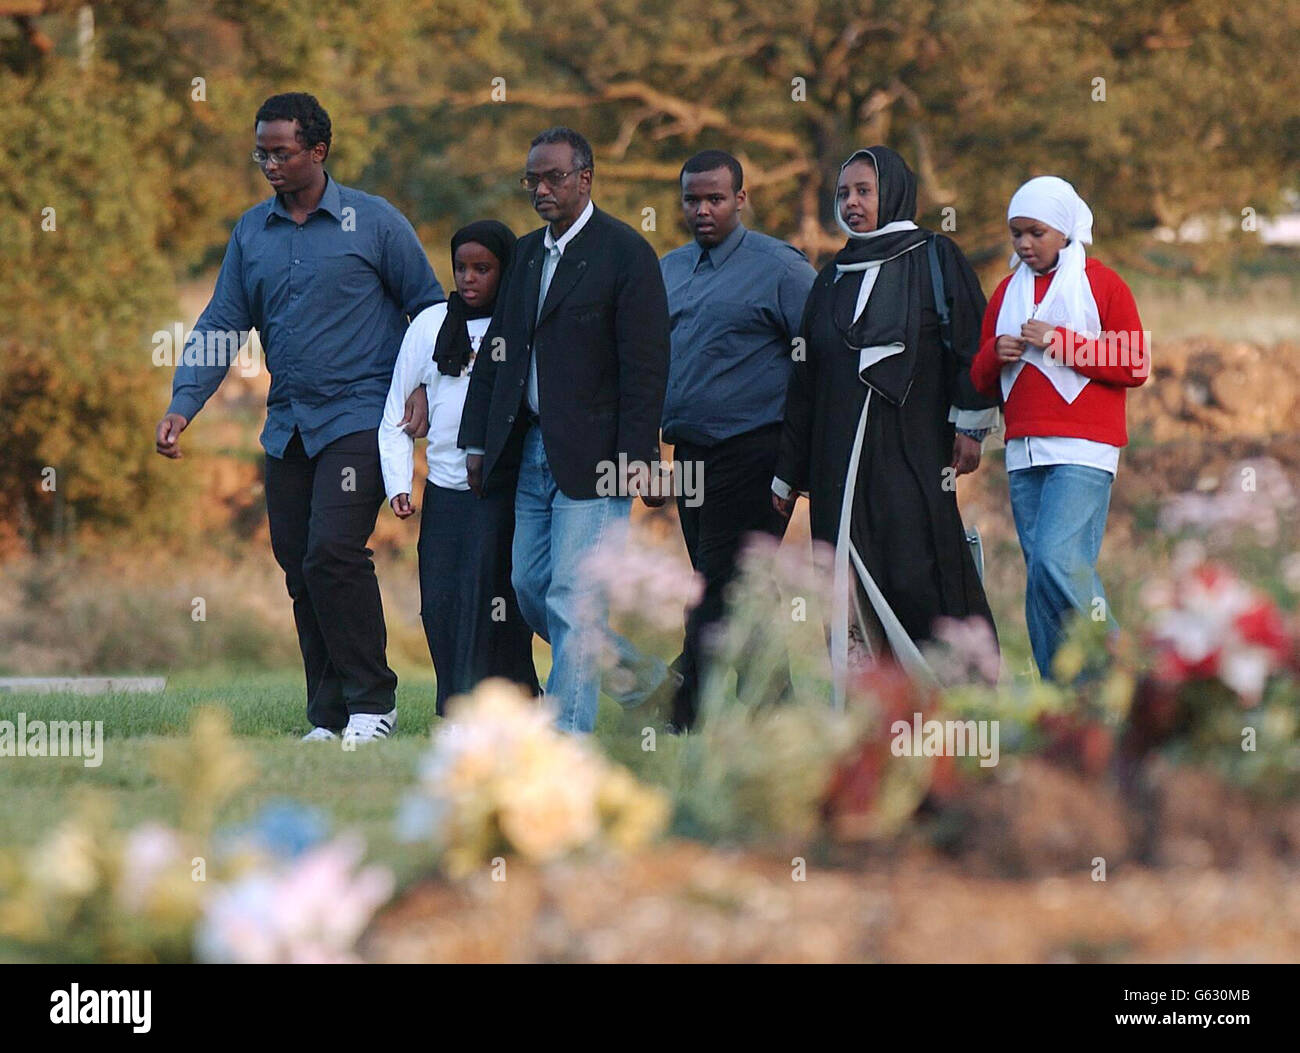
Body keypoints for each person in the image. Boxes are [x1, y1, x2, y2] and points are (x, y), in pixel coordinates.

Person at [154, 92, 445, 745]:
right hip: (287, 422)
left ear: (318, 149)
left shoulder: (374, 223)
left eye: (282, 151)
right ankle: (331, 713)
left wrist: (424, 389)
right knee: (297, 562)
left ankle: (375, 703)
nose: (269, 163)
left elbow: (430, 309)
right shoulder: (252, 232)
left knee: (333, 552)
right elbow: (221, 324)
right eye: (262, 151)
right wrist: (183, 402)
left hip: (363, 415)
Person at [456, 127, 671, 734]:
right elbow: (498, 352)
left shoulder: (625, 253)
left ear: (586, 178)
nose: (541, 189)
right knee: (532, 588)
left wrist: (639, 454)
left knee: (575, 599)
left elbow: (646, 365)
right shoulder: (524, 254)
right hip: (528, 452)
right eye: (532, 179)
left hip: (598, 459)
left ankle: (565, 732)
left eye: (553, 177)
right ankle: (653, 686)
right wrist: (476, 439)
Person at [772, 146, 999, 706]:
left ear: (892, 192)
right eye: (843, 193)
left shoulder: (935, 256)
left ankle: (958, 702)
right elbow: (806, 382)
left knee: (917, 573)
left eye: (863, 191)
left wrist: (969, 428)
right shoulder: (831, 280)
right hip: (834, 467)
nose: (851, 203)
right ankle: (867, 717)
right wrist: (787, 474)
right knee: (844, 585)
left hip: (911, 455)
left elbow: (971, 343)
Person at [659, 149, 817, 730]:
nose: (702, 210)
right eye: (692, 199)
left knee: (719, 582)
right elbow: (653, 366)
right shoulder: (669, 269)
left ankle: (684, 711)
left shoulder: (780, 267)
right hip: (690, 455)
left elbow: (822, 358)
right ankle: (777, 707)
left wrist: (805, 461)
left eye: (715, 199)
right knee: (731, 583)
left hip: (758, 450)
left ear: (741, 199)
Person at [970, 176, 1147, 679]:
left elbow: (1135, 363)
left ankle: (1124, 672)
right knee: (1042, 583)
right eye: (1016, 234)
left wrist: (1060, 342)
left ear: (1065, 230)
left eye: (1036, 233)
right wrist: (993, 354)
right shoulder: (1006, 293)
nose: (1024, 244)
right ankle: (1065, 705)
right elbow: (981, 379)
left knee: (1055, 561)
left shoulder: (1103, 283)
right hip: (1024, 453)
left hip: (1084, 452)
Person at [379, 220, 539, 714]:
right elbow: (395, 414)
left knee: (495, 603)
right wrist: (398, 483)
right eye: (460, 268)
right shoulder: (430, 326)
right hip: (444, 488)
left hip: (504, 487)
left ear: (505, 270)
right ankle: (455, 702)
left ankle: (511, 704)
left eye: (483, 268)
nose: (469, 278)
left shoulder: (521, 323)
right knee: (442, 602)